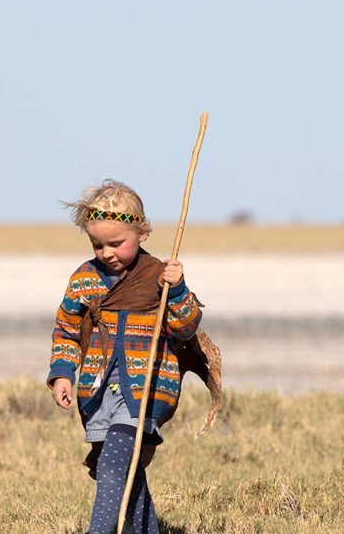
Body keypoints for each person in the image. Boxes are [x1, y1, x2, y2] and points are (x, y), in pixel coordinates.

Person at [46, 179, 203, 534]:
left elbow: (186, 326)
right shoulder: (84, 278)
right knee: (126, 470)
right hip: (97, 392)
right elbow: (67, 330)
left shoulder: (159, 276)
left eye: (116, 243)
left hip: (146, 389)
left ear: (142, 232)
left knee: (113, 464)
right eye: (98, 244)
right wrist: (62, 373)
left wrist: (177, 288)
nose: (107, 252)